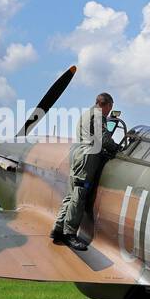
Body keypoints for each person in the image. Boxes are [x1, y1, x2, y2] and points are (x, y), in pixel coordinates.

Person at [52, 92, 120, 251]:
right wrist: (117, 148)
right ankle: (69, 234)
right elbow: (104, 139)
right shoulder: (97, 116)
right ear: (107, 105)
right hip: (88, 158)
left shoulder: (86, 114)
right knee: (80, 194)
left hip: (77, 155)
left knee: (71, 193)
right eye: (110, 108)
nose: (110, 112)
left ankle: (58, 229)